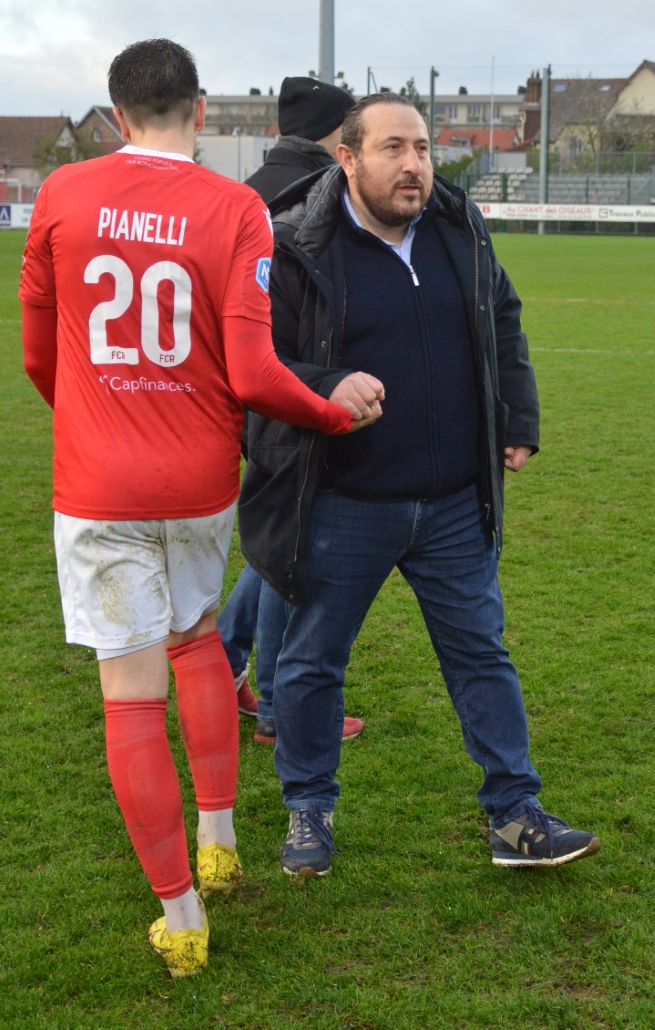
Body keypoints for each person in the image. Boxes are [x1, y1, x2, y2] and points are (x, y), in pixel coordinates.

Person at [18, 40, 383, 977]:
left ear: (114, 112)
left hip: (100, 481)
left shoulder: (63, 194)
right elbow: (257, 373)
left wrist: (98, 420)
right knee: (198, 638)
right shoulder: (235, 208)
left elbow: (38, 354)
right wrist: (327, 409)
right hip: (198, 479)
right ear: (203, 108)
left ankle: (182, 919)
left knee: (130, 687)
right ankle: (218, 845)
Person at [237, 91, 601, 879]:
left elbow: (502, 319)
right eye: (394, 149)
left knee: (481, 655)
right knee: (308, 666)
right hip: (338, 500)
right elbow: (254, 363)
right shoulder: (298, 244)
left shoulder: (456, 228)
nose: (415, 167)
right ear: (348, 158)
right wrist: (326, 384)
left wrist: (517, 416)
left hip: (451, 506)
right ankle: (308, 809)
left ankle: (515, 811)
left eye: (424, 149)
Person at [218, 76, 363, 744]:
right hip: (295, 386)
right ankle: (277, 709)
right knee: (292, 544)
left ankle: (226, 663)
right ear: (336, 133)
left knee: (277, 537)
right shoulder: (321, 192)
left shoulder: (241, 191)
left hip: (242, 388)